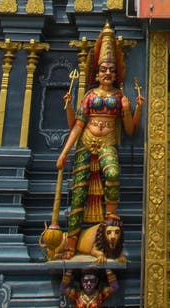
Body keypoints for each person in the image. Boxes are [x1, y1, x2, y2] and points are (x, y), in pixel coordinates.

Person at [56, 23, 145, 258]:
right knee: (78, 192)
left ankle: (109, 223)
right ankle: (72, 242)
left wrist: (132, 109)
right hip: (86, 141)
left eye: (112, 71)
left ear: (117, 75)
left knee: (113, 174)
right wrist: (64, 152)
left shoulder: (119, 97)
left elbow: (130, 129)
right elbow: (77, 124)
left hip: (108, 142)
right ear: (96, 74)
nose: (108, 73)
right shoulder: (89, 96)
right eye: (104, 69)